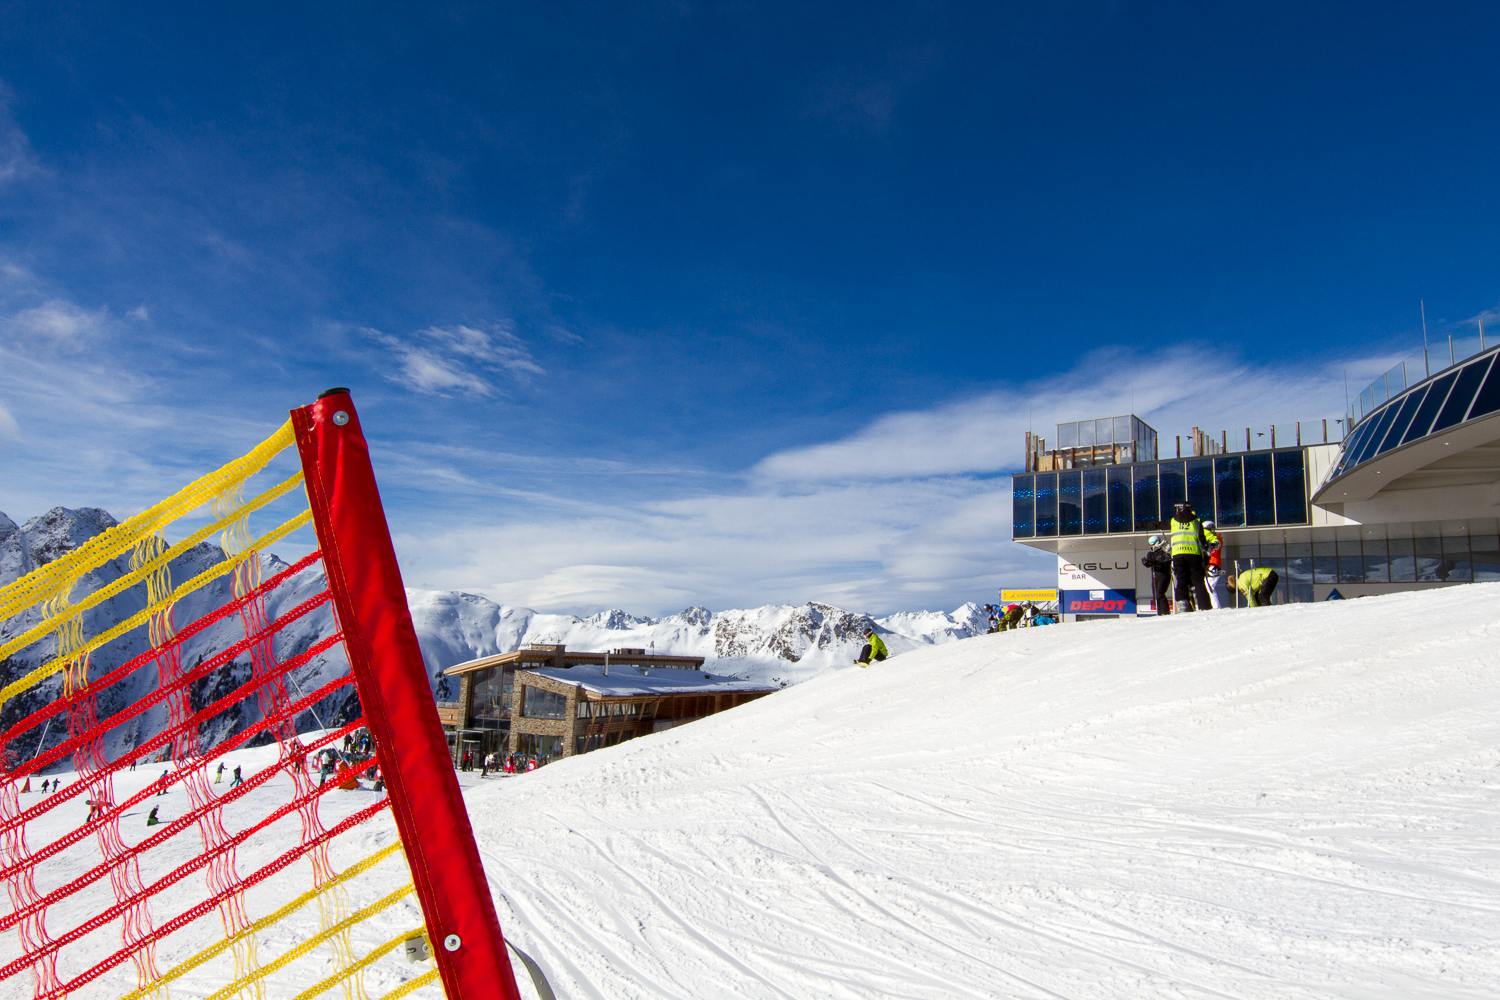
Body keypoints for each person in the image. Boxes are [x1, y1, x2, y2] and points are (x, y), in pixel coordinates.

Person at [1168, 502, 1212, 612]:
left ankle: (1184, 607)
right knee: (1199, 582)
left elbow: (1157, 524)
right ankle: (1205, 606)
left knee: (1181, 581)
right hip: (1194, 554)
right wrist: (1205, 553)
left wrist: (1140, 525)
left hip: (1178, 555)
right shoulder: (1196, 521)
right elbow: (1201, 538)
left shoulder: (1173, 521)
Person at [1143, 534, 1173, 616]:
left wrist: (1157, 562)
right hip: (1155, 575)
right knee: (1156, 594)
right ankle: (1159, 612)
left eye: (1153, 544)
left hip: (1164, 574)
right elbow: (1149, 564)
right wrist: (1146, 563)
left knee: (1160, 592)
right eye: (1150, 545)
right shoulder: (1151, 553)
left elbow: (1168, 561)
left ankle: (1165, 612)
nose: (1151, 546)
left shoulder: (1164, 552)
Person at [1202, 520, 1225, 609]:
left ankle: (1216, 607)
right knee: (1206, 586)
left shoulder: (1216, 540)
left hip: (1214, 565)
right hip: (1209, 565)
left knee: (1210, 586)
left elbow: (1214, 552)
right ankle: (1211, 606)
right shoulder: (1210, 539)